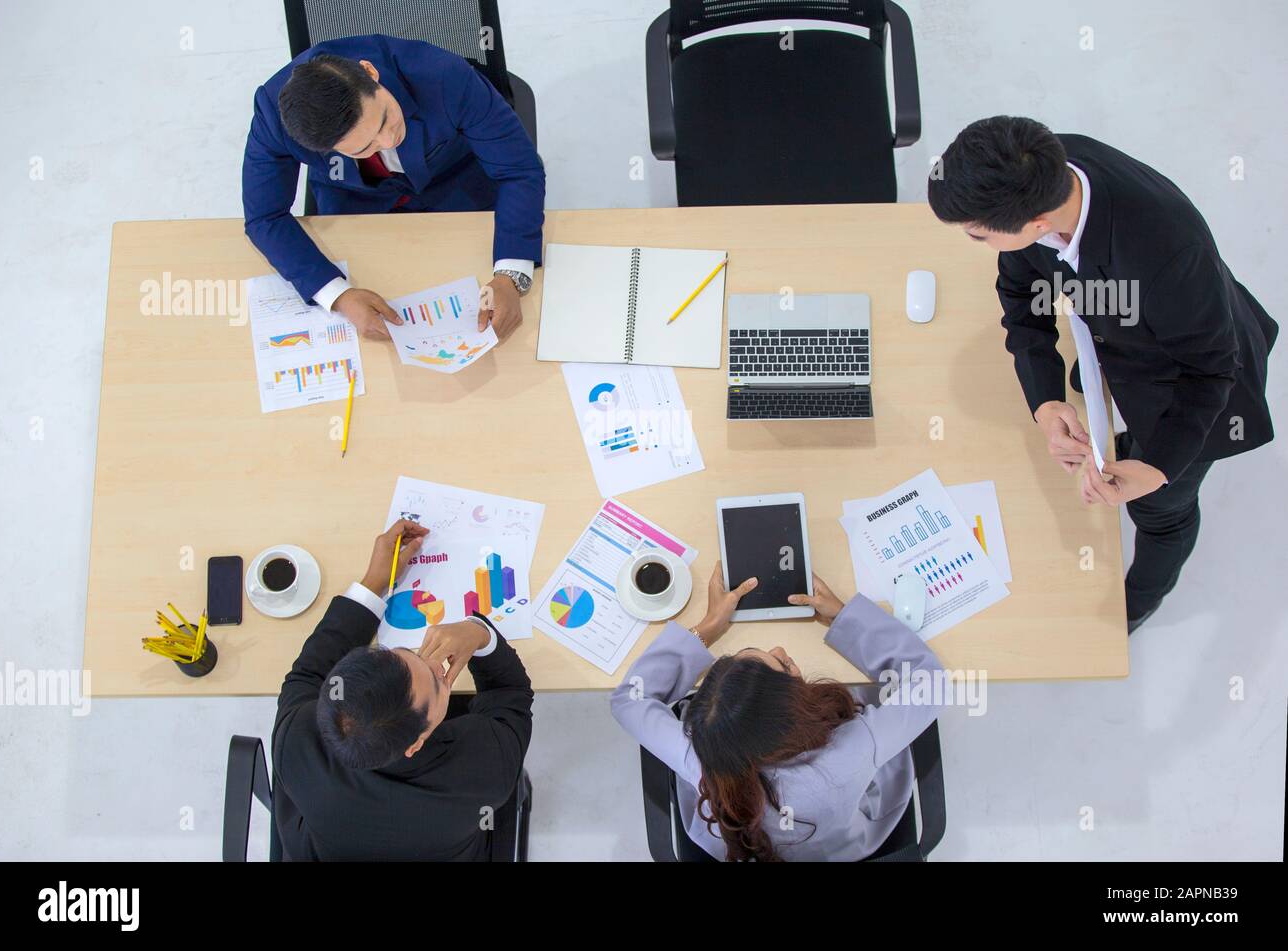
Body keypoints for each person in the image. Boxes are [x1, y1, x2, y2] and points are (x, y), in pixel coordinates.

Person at [928, 116, 1277, 632]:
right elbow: (1023, 298)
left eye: (978, 235)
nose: (973, 241)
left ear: (1038, 222)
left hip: (1196, 378)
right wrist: (1046, 401)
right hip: (1128, 327)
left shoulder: (1166, 252)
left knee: (1163, 512)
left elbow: (1208, 373)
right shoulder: (1043, 168)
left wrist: (1156, 469)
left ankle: (1143, 598)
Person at [611, 564, 943, 862]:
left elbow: (629, 699)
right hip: (842, 847)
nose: (780, 649)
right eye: (781, 662)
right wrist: (844, 616)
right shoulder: (854, 747)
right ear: (795, 702)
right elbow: (933, 683)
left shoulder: (702, 755)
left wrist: (707, 627)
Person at [243, 34, 545, 342]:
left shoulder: (441, 75)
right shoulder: (274, 117)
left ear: (371, 73)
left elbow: (518, 169)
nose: (388, 142)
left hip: (454, 185)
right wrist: (338, 295)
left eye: (385, 117)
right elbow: (265, 217)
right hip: (356, 202)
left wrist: (511, 274)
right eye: (364, 147)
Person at [272, 519, 533, 861]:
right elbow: (510, 696)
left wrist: (375, 581)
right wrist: (479, 634)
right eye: (440, 681)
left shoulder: (295, 741)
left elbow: (308, 672)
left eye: (404, 653)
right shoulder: (482, 766)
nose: (433, 660)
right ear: (417, 743)